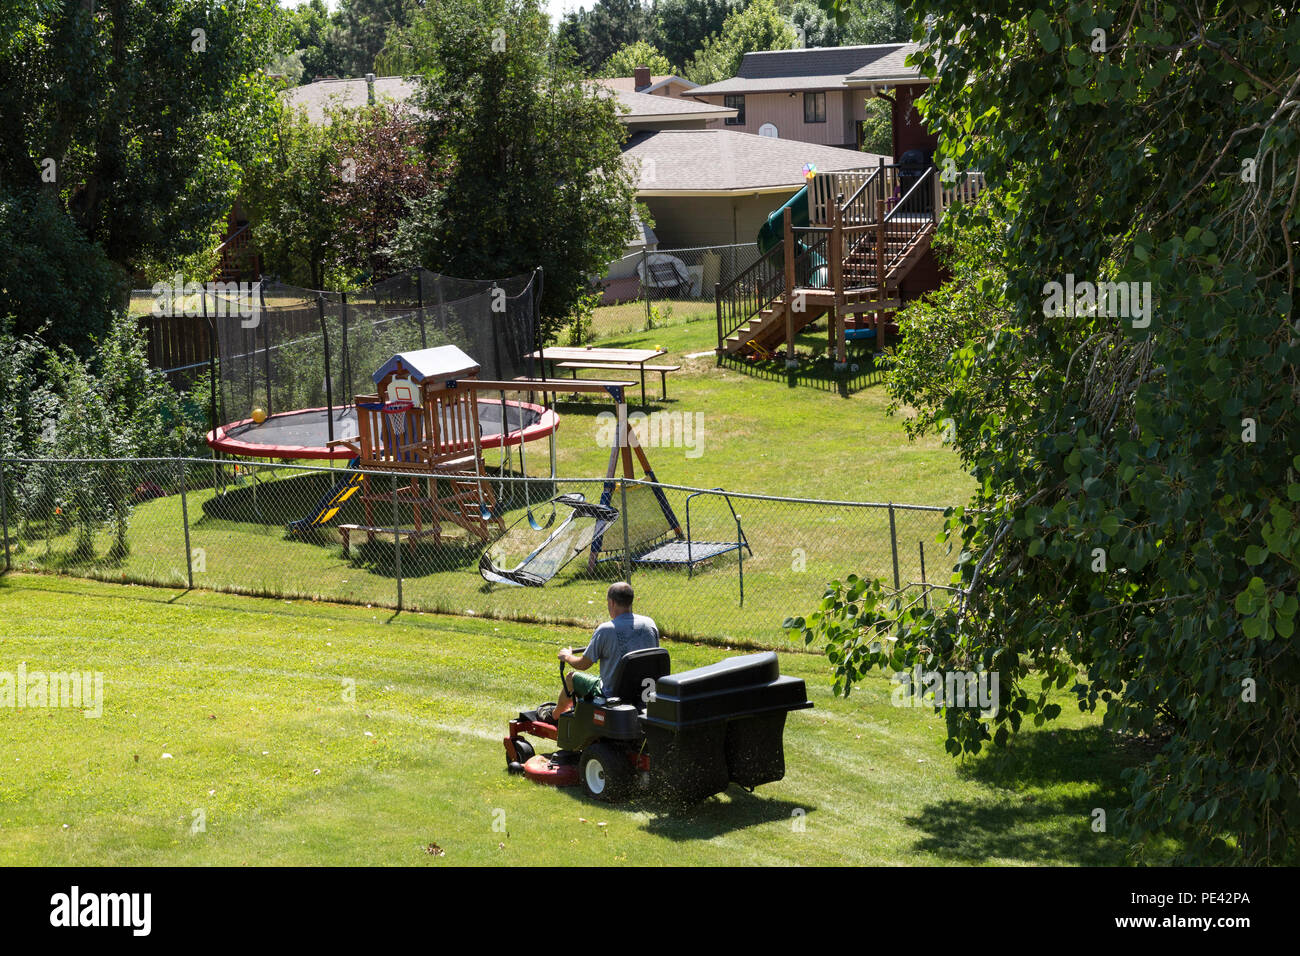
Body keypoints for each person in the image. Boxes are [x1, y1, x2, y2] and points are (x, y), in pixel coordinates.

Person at [545, 582, 659, 721]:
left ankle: (554, 716)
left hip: (613, 694)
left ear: (611, 602)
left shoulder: (606, 630)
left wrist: (567, 657)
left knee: (571, 678)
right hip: (643, 691)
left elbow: (583, 664)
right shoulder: (650, 624)